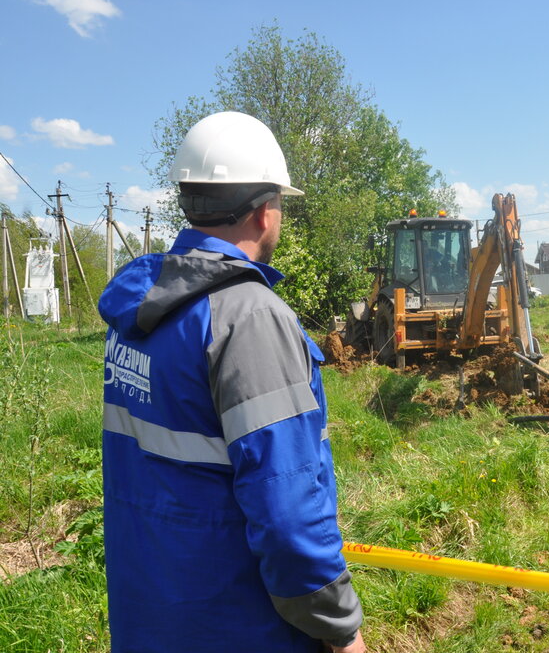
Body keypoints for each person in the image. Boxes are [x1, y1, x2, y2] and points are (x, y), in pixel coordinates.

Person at [98, 112, 365, 653]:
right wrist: (341, 630)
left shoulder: (142, 309)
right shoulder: (247, 317)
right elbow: (287, 515)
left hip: (150, 613)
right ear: (266, 212)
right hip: (237, 623)